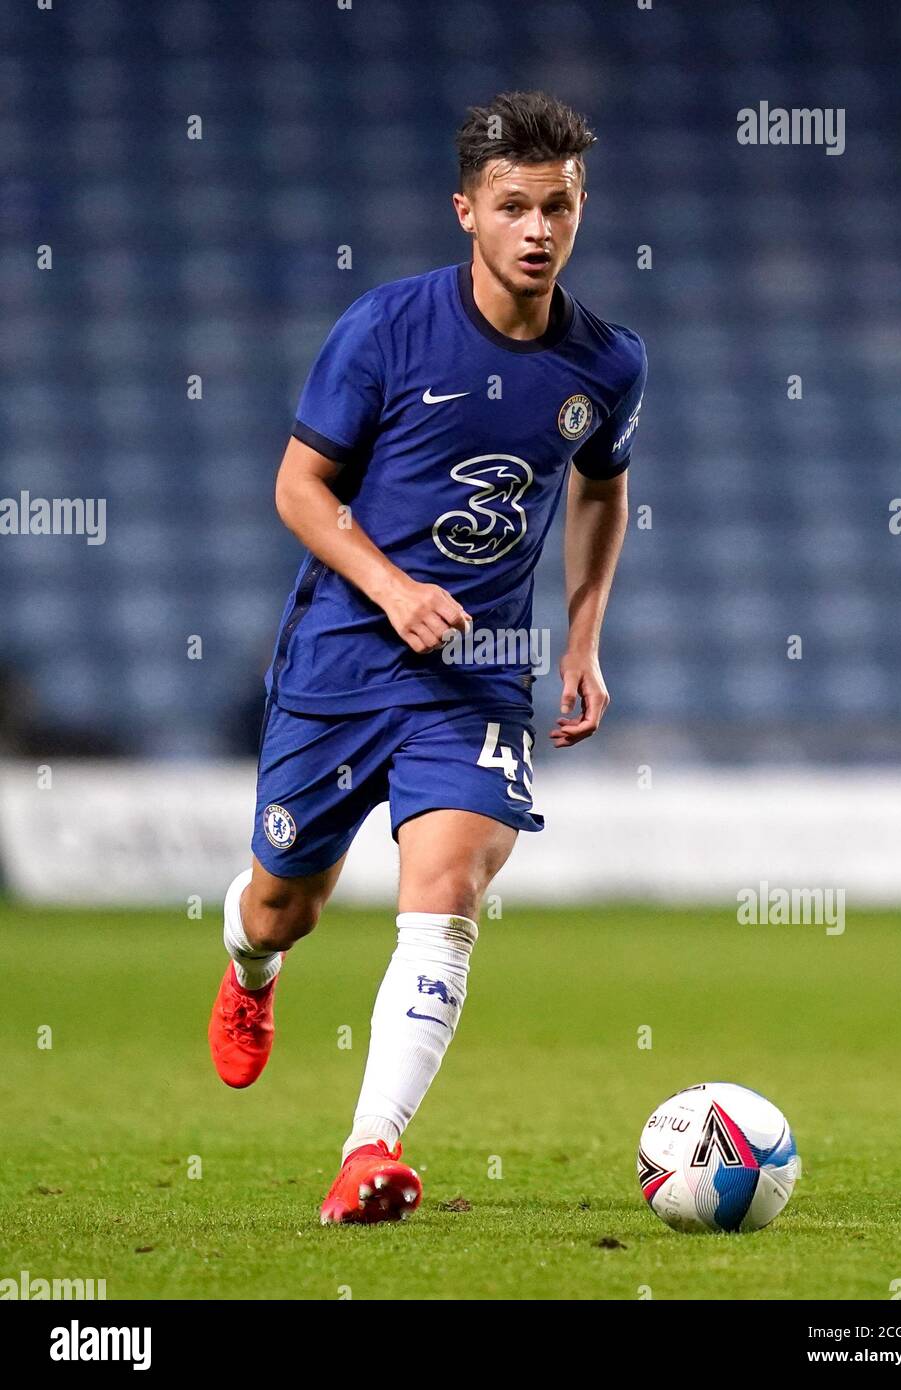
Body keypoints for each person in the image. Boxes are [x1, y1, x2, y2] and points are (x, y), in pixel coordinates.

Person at [208, 90, 647, 1225]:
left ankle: (369, 1151)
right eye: (513, 207)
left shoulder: (605, 363)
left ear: (579, 208)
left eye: (557, 206)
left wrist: (583, 636)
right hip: (344, 653)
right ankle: (252, 972)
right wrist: (394, 588)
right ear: (466, 210)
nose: (537, 229)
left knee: (446, 885)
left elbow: (603, 483)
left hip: (477, 669)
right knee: (282, 905)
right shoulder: (386, 329)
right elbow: (298, 487)